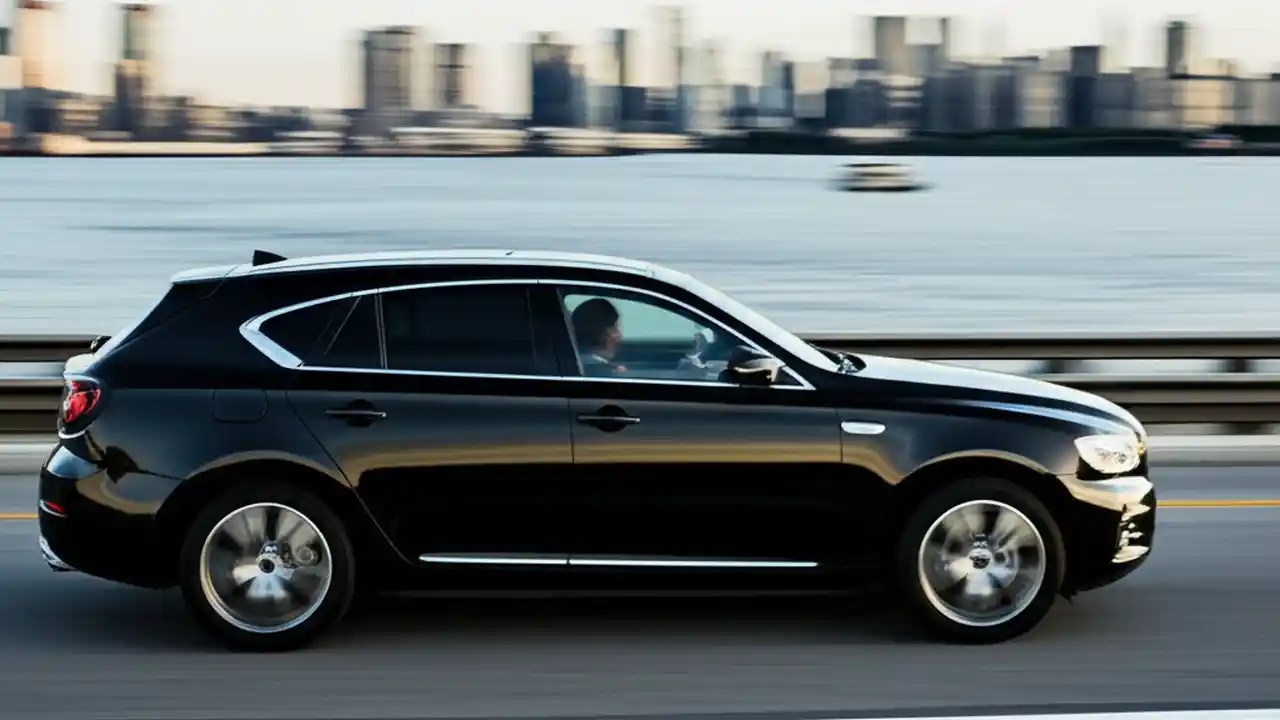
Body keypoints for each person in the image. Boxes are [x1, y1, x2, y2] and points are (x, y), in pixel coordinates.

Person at [570, 298, 627, 375]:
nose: (619, 337)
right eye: (614, 329)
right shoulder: (600, 373)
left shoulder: (579, 364)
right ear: (598, 331)